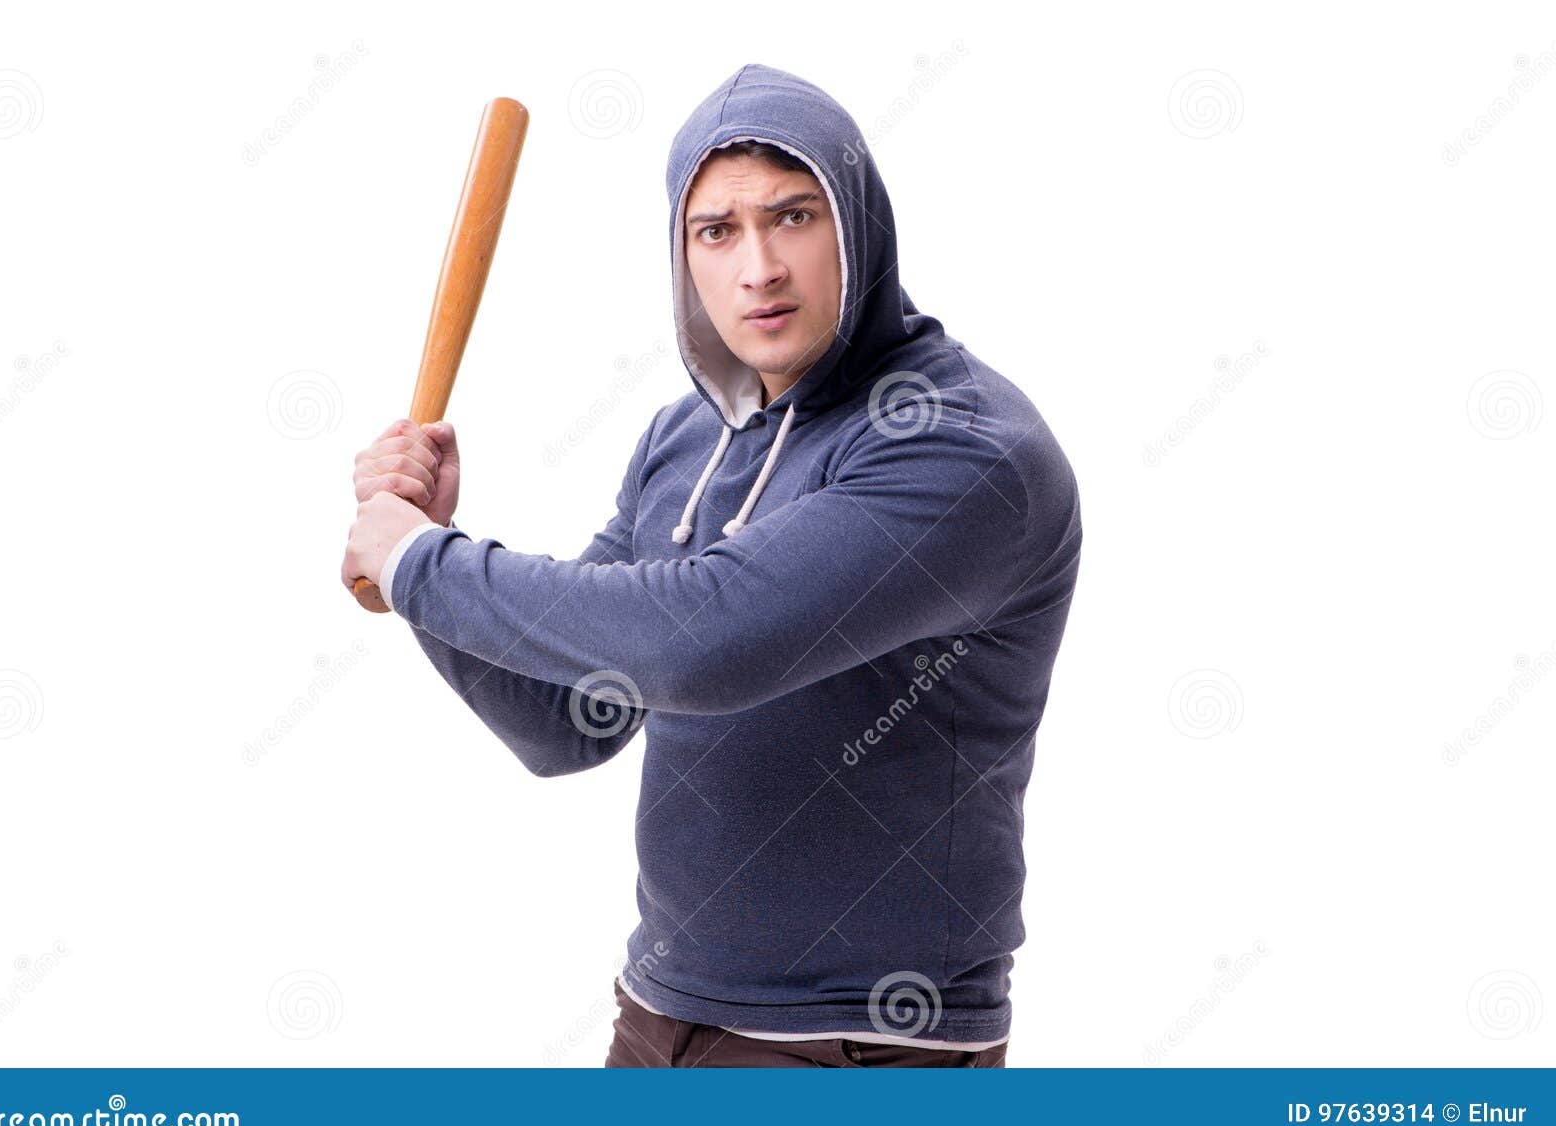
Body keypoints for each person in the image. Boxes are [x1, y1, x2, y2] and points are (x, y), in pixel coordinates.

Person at [343, 63, 1082, 1067]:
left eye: (793, 215)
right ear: (682, 255)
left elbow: (700, 642)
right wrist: (428, 557)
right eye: (717, 230)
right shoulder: (687, 439)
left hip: (860, 1048)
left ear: (858, 223)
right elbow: (568, 720)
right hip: (660, 1018)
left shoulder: (960, 449)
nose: (759, 266)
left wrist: (424, 564)